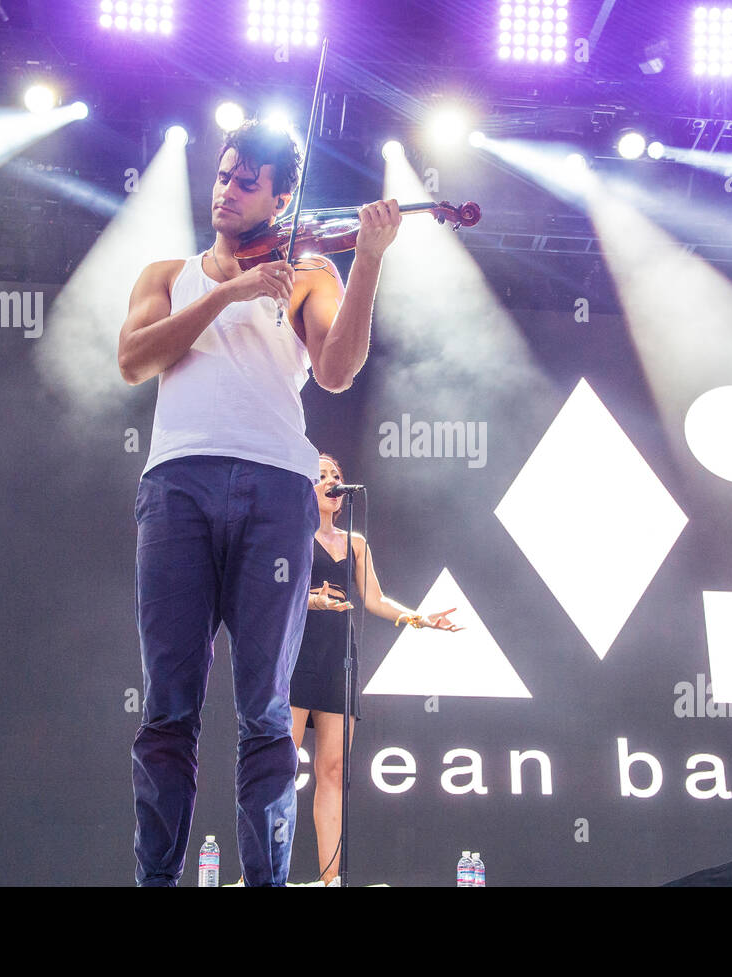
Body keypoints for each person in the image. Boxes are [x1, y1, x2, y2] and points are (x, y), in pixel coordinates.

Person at [117, 119, 402, 885]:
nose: (228, 190)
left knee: (267, 714)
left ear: (282, 196)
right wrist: (231, 292)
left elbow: (337, 371)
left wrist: (367, 261)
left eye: (248, 181)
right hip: (176, 484)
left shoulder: (309, 270)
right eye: (223, 174)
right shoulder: (165, 272)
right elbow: (134, 359)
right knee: (167, 710)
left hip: (277, 486)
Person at [291, 452, 461, 884]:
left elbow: (375, 600)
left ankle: (331, 880)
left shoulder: (356, 543)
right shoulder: (286, 535)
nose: (333, 482)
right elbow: (266, 594)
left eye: (338, 475)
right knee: (278, 766)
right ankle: (264, 870)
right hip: (294, 654)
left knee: (331, 771)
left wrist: (420, 618)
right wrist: (311, 599)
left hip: (337, 656)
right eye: (322, 475)